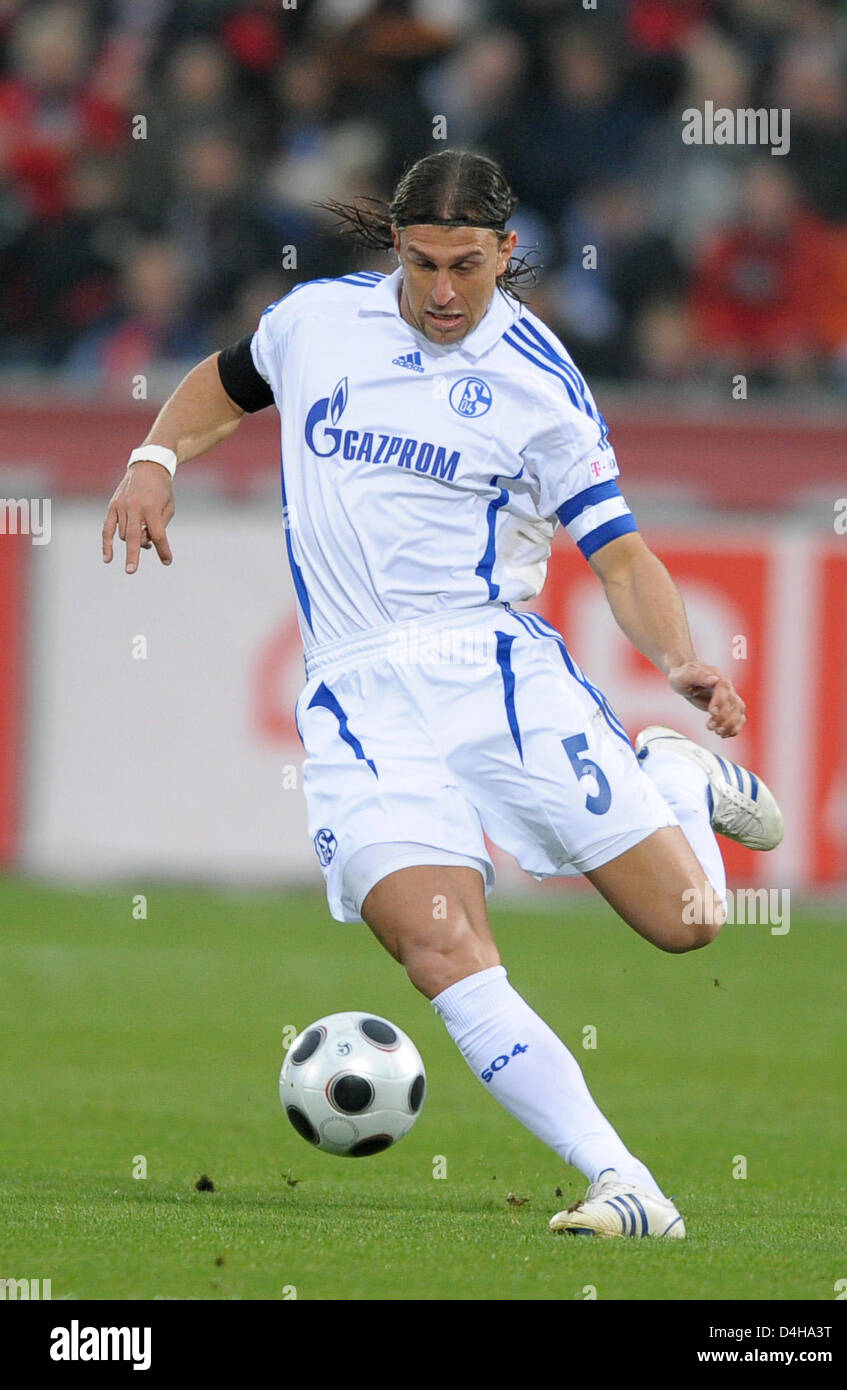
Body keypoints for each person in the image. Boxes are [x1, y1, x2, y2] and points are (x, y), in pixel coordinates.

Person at [102, 149, 783, 1239]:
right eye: (424, 264)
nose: (446, 290)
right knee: (437, 948)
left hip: (496, 675)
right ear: (396, 251)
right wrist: (154, 459)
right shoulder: (315, 322)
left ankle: (676, 777)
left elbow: (616, 553)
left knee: (689, 922)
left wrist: (678, 659)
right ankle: (629, 1185)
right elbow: (221, 387)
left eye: (469, 265)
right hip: (355, 696)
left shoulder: (541, 381)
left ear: (509, 254)